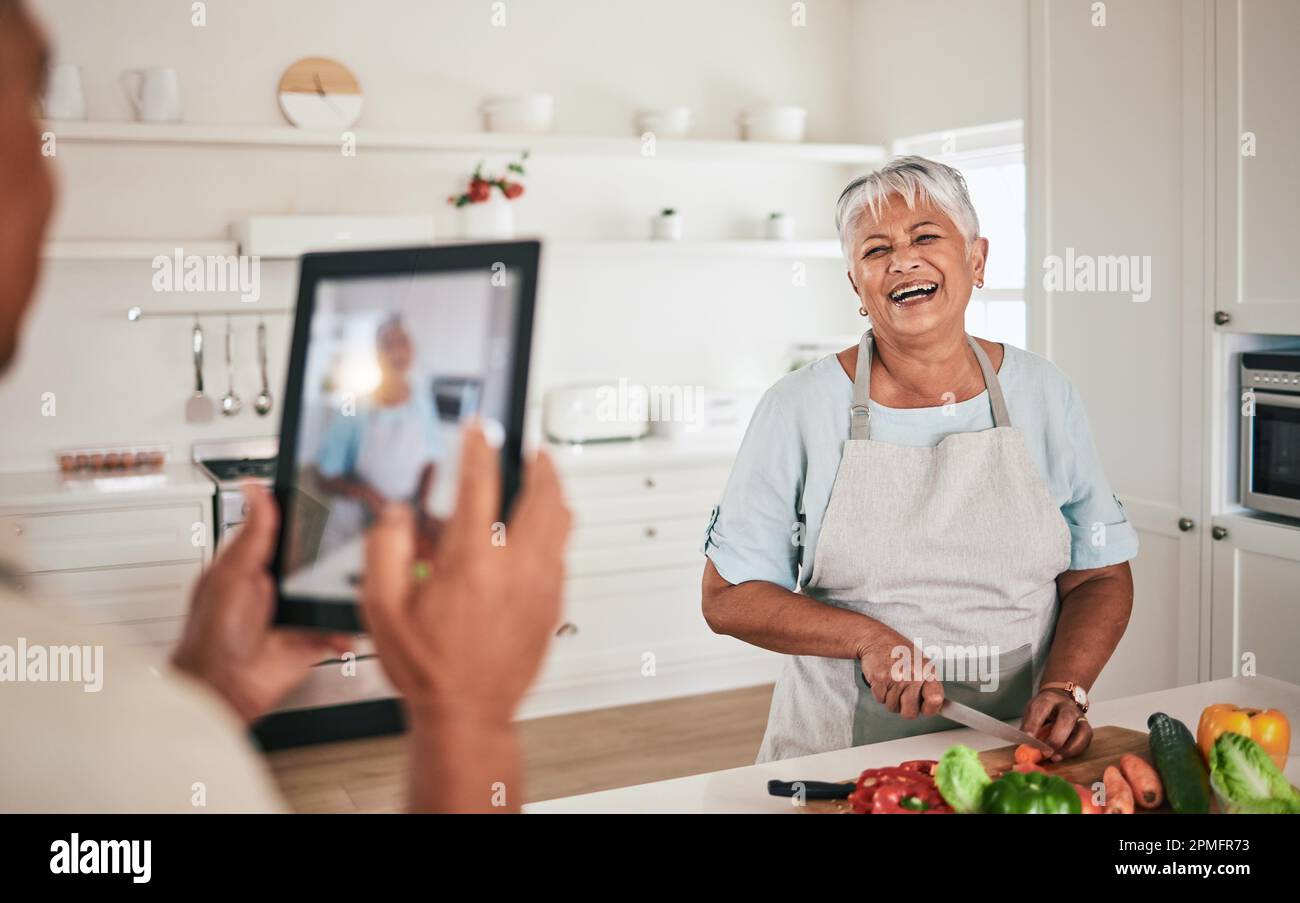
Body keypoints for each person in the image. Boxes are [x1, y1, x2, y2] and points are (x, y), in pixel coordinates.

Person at [0, 0, 570, 813]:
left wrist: (207, 691)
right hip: (363, 533)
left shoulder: (119, 742)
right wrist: (465, 720)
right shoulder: (91, 746)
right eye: (29, 107)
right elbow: (326, 475)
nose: (52, 179)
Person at [701, 156, 1137, 763]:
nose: (902, 260)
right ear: (858, 285)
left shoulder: (1044, 391)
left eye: (926, 237)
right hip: (839, 753)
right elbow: (729, 596)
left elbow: (1099, 574)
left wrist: (1067, 687)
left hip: (1015, 750)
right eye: (876, 250)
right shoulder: (798, 408)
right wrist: (866, 638)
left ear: (976, 260)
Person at [315, 315, 444, 552]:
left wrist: (423, 505)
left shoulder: (422, 403)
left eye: (403, 342)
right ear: (376, 354)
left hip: (401, 522)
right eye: (387, 344)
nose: (397, 351)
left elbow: (431, 460)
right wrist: (365, 494)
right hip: (352, 529)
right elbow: (323, 478)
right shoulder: (354, 408)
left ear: (413, 348)